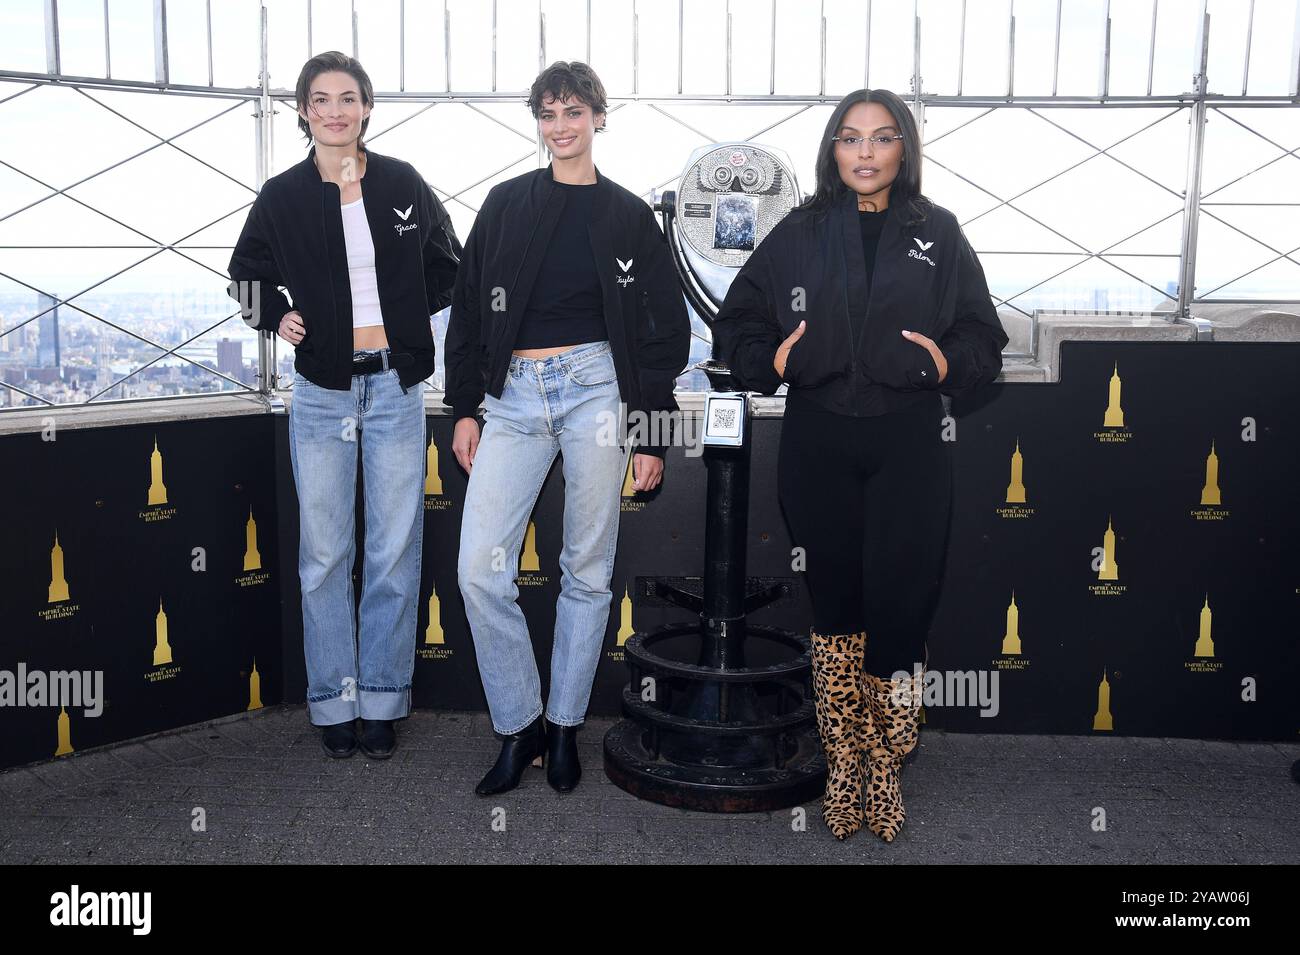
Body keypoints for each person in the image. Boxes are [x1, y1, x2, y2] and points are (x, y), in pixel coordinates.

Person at [712, 89, 1008, 841]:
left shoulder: (938, 232)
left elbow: (983, 338)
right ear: (833, 150)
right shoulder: (800, 230)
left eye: (881, 138)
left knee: (901, 612)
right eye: (850, 139)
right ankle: (845, 763)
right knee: (837, 610)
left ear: (903, 149)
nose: (866, 153)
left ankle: (888, 763)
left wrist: (948, 363)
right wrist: (770, 358)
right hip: (818, 445)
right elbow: (737, 324)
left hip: (910, 446)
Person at [444, 61, 690, 795]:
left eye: (574, 112)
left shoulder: (627, 217)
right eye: (548, 113)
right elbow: (465, 312)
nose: (561, 126)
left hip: (598, 392)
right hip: (512, 396)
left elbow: (662, 331)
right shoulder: (504, 204)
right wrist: (464, 406)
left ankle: (563, 728)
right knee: (476, 570)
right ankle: (517, 724)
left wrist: (650, 430)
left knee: (586, 570)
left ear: (598, 118)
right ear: (538, 122)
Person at [227, 51, 461, 760]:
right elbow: (245, 277)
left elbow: (450, 263)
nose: (335, 109)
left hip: (395, 385)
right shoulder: (283, 195)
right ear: (302, 110)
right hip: (323, 392)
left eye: (348, 97)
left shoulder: (402, 183)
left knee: (393, 549)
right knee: (325, 553)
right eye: (321, 98)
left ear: (366, 107)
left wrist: (409, 318)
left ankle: (383, 699)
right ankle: (333, 698)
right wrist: (277, 315)